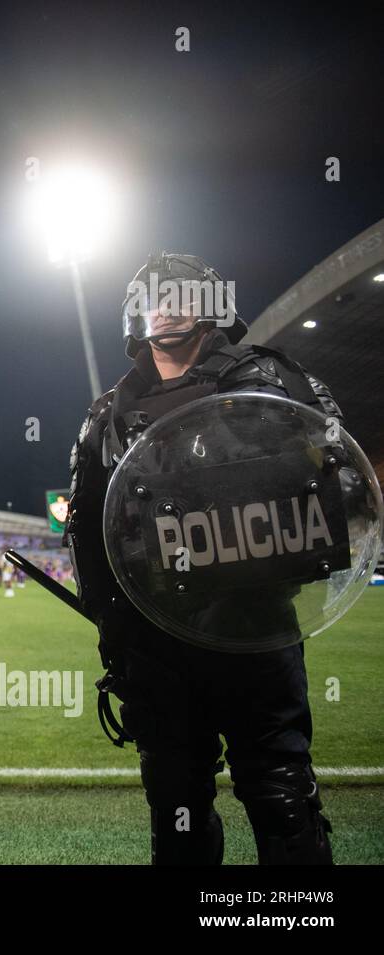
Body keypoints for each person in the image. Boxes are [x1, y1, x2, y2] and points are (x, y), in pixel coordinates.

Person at [66, 252, 339, 864]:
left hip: (254, 629)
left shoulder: (271, 381)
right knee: (175, 803)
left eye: (180, 294)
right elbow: (87, 527)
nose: (164, 306)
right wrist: (112, 627)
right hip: (154, 645)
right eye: (152, 297)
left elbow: (334, 485)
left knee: (280, 794)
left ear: (214, 305)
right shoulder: (108, 413)